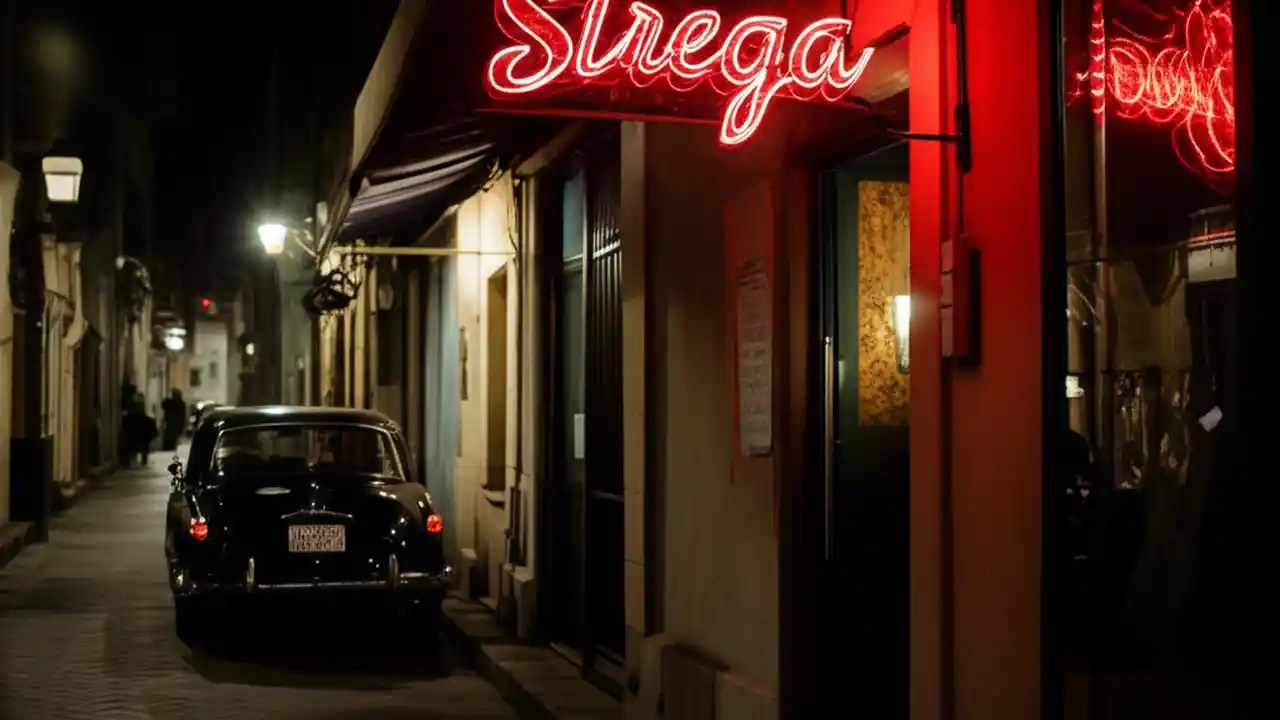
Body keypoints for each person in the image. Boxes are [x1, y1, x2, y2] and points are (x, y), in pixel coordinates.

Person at [122, 395, 158, 466]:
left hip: (136, 437)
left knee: (130, 445)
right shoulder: (145, 419)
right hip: (140, 437)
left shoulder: (129, 417)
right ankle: (141, 460)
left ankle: (129, 460)